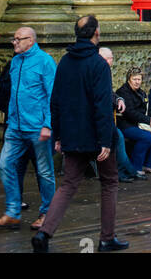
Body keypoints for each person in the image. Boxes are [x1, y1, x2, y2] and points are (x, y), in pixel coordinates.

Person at [31, 15, 127, 254]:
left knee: (68, 185)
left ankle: (44, 234)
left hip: (72, 136)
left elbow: (56, 102)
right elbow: (102, 105)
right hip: (97, 137)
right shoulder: (98, 64)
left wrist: (59, 137)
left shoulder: (64, 62)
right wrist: (105, 141)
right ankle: (106, 239)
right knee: (109, 183)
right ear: (96, 34)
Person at [0, 26, 57, 231]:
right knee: (4, 165)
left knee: (45, 172)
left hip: (38, 127)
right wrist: (9, 119)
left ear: (31, 40)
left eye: (18, 39)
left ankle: (47, 214)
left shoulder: (45, 61)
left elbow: (52, 95)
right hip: (15, 127)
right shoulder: (15, 62)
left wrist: (48, 124)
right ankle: (12, 213)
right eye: (14, 38)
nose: (14, 42)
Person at [0, 56, 37, 211]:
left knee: (14, 165)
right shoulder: (38, 66)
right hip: (33, 125)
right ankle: (47, 207)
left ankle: (15, 202)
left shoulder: (9, 68)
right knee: (42, 168)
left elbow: (1, 102)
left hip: (13, 124)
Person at [99, 48, 140, 183]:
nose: (112, 61)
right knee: (118, 138)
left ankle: (127, 171)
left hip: (106, 120)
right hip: (98, 121)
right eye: (110, 58)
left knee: (118, 138)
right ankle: (127, 171)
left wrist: (118, 99)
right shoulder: (98, 73)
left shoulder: (105, 72)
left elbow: (110, 93)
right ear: (104, 59)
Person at [116, 66, 151, 175]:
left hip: (140, 124)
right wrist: (148, 120)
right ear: (129, 79)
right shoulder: (123, 92)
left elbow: (149, 108)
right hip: (126, 125)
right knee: (146, 137)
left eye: (139, 79)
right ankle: (135, 167)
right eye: (134, 79)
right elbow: (130, 113)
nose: (137, 82)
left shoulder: (141, 93)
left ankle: (149, 165)